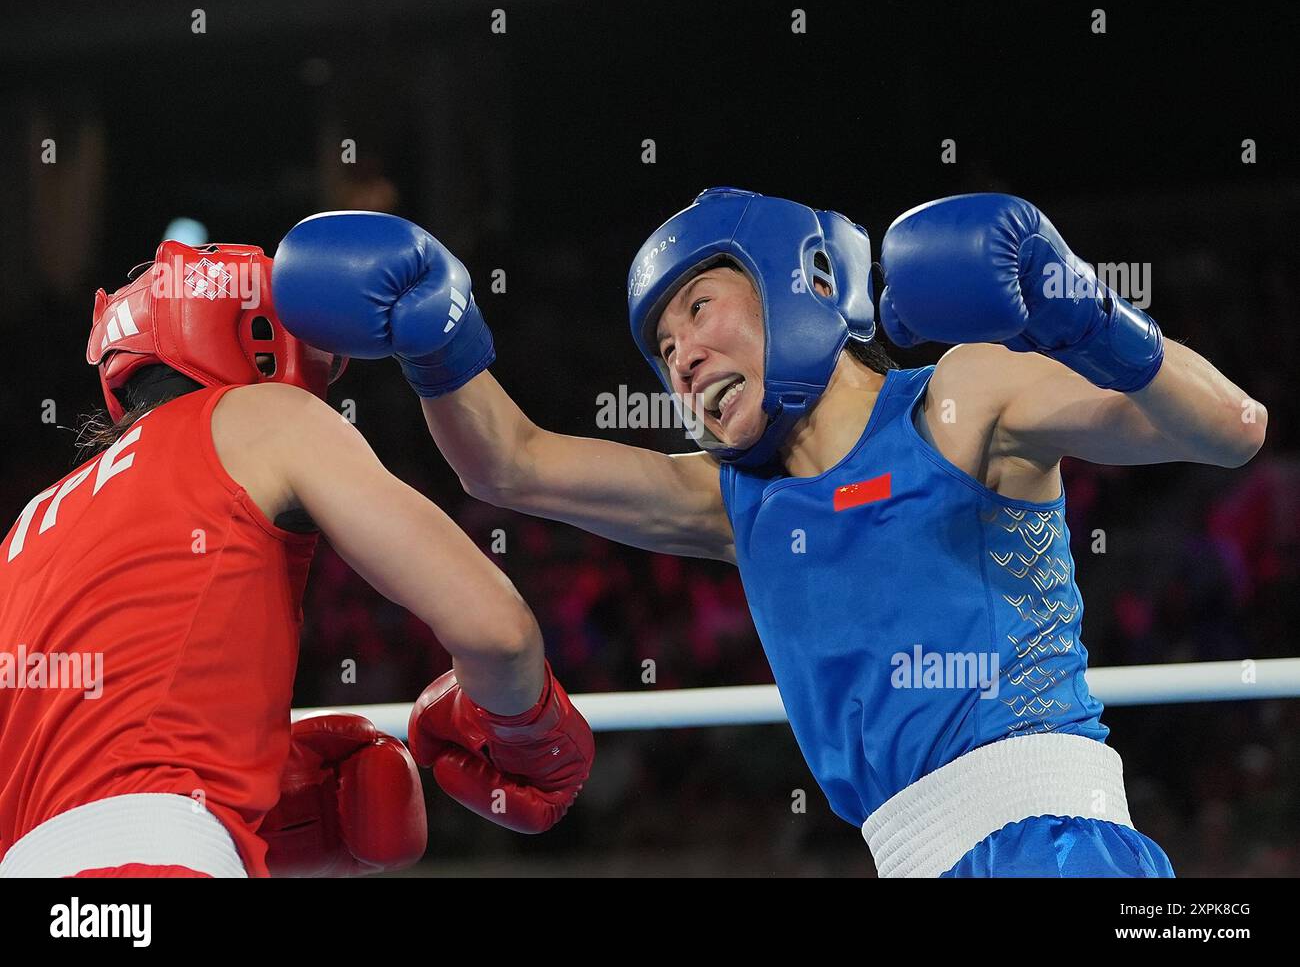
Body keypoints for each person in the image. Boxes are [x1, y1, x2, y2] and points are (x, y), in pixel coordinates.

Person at [270, 188, 1266, 877]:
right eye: (662, 347)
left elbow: (1228, 430)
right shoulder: (735, 502)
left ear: (804, 281)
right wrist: (438, 342)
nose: (683, 357)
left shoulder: (962, 397)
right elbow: (509, 462)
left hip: (1054, 844)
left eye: (701, 306)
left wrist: (1082, 311)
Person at [0, 240, 593, 878]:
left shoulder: (24, 532)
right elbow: (498, 632)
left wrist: (255, 806)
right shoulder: (268, 417)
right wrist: (527, 732)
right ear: (263, 339)